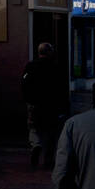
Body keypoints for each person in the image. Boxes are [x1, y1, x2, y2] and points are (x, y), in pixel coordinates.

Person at [22, 42, 69, 170]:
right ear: (49, 52)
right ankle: (48, 159)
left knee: (33, 128)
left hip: (34, 103)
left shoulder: (31, 66)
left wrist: (28, 99)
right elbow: (62, 87)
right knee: (52, 131)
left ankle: (36, 144)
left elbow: (24, 84)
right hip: (51, 104)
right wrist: (63, 105)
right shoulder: (56, 67)